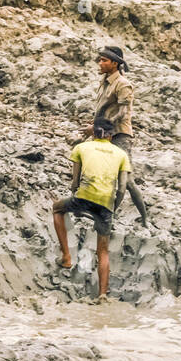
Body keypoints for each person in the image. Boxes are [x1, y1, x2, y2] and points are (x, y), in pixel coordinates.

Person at [52, 117, 130, 298]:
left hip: (84, 196)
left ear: (93, 133)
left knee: (57, 208)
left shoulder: (81, 148)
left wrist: (76, 202)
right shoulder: (121, 154)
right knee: (103, 250)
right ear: (111, 137)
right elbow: (122, 188)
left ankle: (66, 257)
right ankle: (103, 294)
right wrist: (113, 208)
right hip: (106, 203)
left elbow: (75, 182)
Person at [92, 45, 148, 226]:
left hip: (119, 136)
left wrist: (100, 126)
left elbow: (123, 114)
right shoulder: (105, 81)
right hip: (104, 133)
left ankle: (143, 218)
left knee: (127, 180)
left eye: (104, 60)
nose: (100, 63)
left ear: (115, 63)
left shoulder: (123, 84)